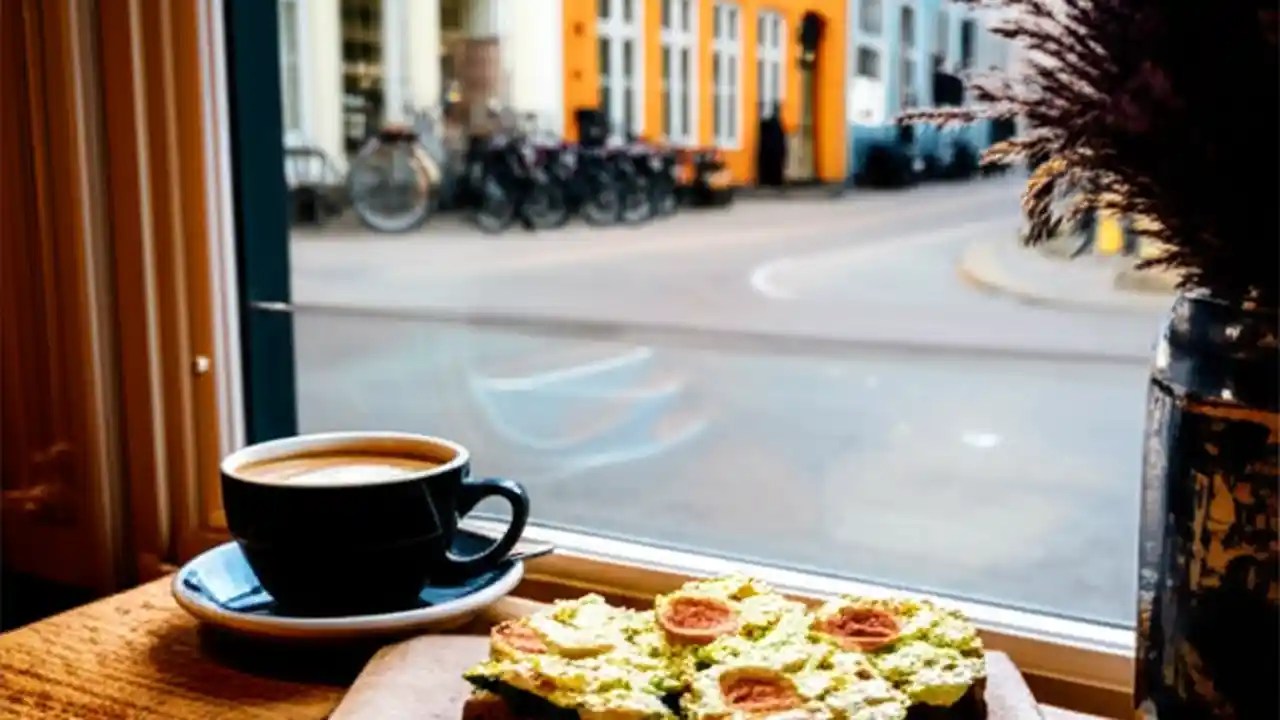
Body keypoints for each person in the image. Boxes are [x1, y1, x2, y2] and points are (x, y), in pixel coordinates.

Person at [756, 103, 787, 188]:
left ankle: (766, 180)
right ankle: (775, 181)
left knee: (768, 166)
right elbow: (782, 142)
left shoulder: (765, 126)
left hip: (768, 151)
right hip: (775, 151)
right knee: (775, 167)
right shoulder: (777, 125)